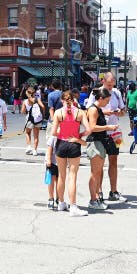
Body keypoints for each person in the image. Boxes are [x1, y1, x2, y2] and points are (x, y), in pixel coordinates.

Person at [84, 72, 126, 203]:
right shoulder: (95, 93)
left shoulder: (117, 93)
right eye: (108, 85)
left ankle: (113, 191)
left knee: (114, 161)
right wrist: (104, 112)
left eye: (112, 85)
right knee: (99, 164)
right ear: (103, 82)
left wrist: (120, 113)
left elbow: (123, 112)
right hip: (100, 133)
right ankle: (99, 191)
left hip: (115, 133)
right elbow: (89, 111)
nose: (110, 88)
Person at [50, 89, 88, 217]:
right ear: (74, 99)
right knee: (73, 176)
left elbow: (54, 132)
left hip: (61, 144)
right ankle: (73, 206)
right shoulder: (80, 113)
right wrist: (79, 136)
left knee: (61, 175)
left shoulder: (58, 113)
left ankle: (61, 202)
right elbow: (88, 129)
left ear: (62, 100)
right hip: (74, 144)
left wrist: (64, 133)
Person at [22, 87, 46, 155]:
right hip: (38, 119)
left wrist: (27, 111)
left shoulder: (25, 101)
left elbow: (23, 111)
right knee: (36, 135)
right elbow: (43, 107)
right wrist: (43, 115)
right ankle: (35, 150)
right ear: (34, 93)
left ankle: (29, 146)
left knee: (27, 133)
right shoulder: (37, 99)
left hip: (29, 119)